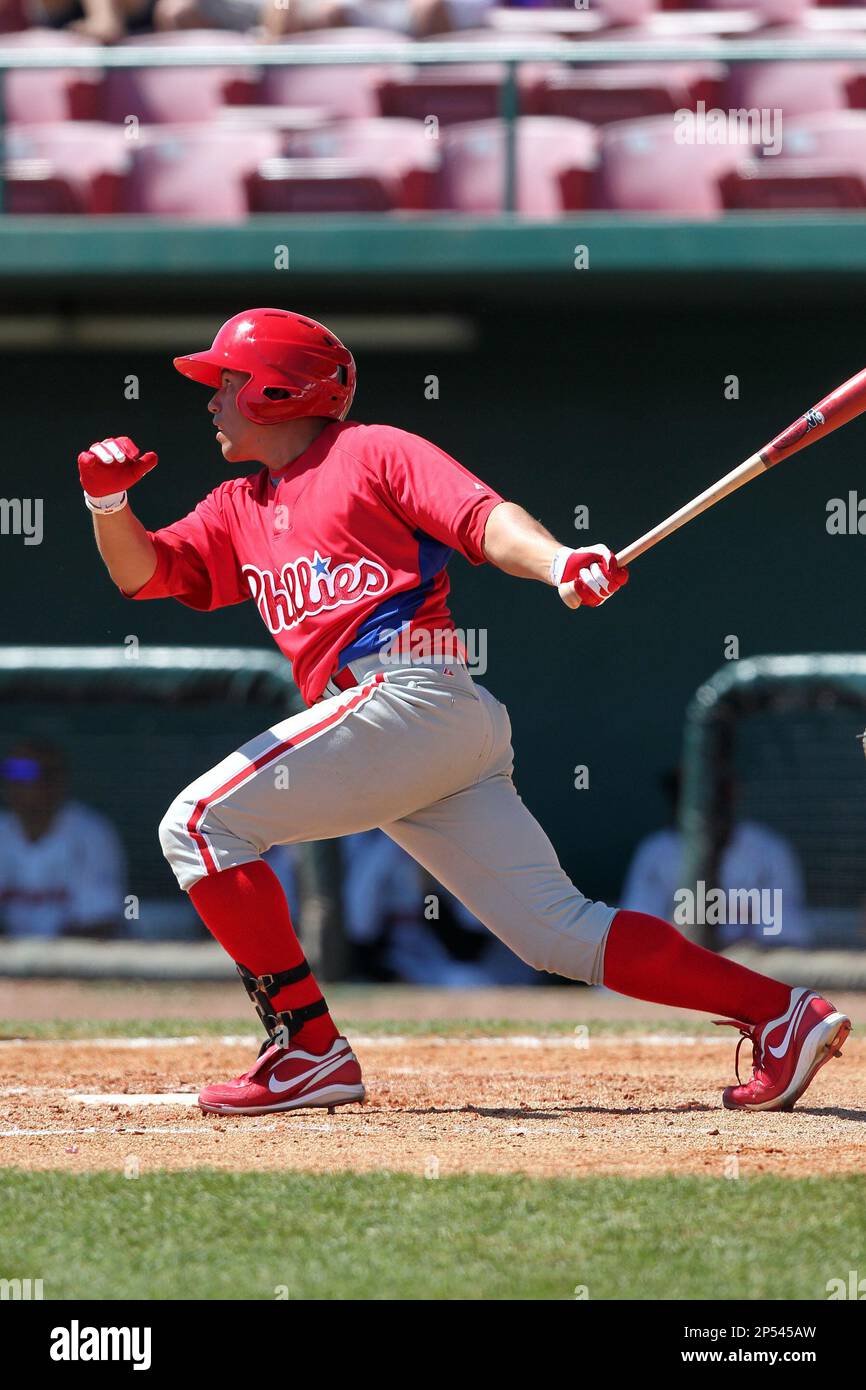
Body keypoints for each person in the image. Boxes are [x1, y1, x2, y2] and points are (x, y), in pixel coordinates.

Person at [77, 307, 850, 1115]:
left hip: (411, 696)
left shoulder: (372, 451)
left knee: (197, 825)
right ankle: (783, 1014)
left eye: (227, 381)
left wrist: (558, 563)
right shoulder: (240, 503)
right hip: (414, 730)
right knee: (557, 933)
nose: (213, 398)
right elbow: (147, 575)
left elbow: (485, 520)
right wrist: (107, 507)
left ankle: (307, 1048)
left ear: (279, 389)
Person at [621, 768, 810, 949]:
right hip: (681, 961)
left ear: (731, 796)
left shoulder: (768, 850)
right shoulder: (655, 851)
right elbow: (639, 929)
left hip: (752, 964)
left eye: (716, 795)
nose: (703, 806)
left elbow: (785, 935)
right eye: (681, 793)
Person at [0, 740, 126, 938]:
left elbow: (101, 921)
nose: (15, 781)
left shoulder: (91, 834)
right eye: (11, 771)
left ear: (55, 782)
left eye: (25, 772)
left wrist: (43, 961)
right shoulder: (3, 831)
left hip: (72, 962)